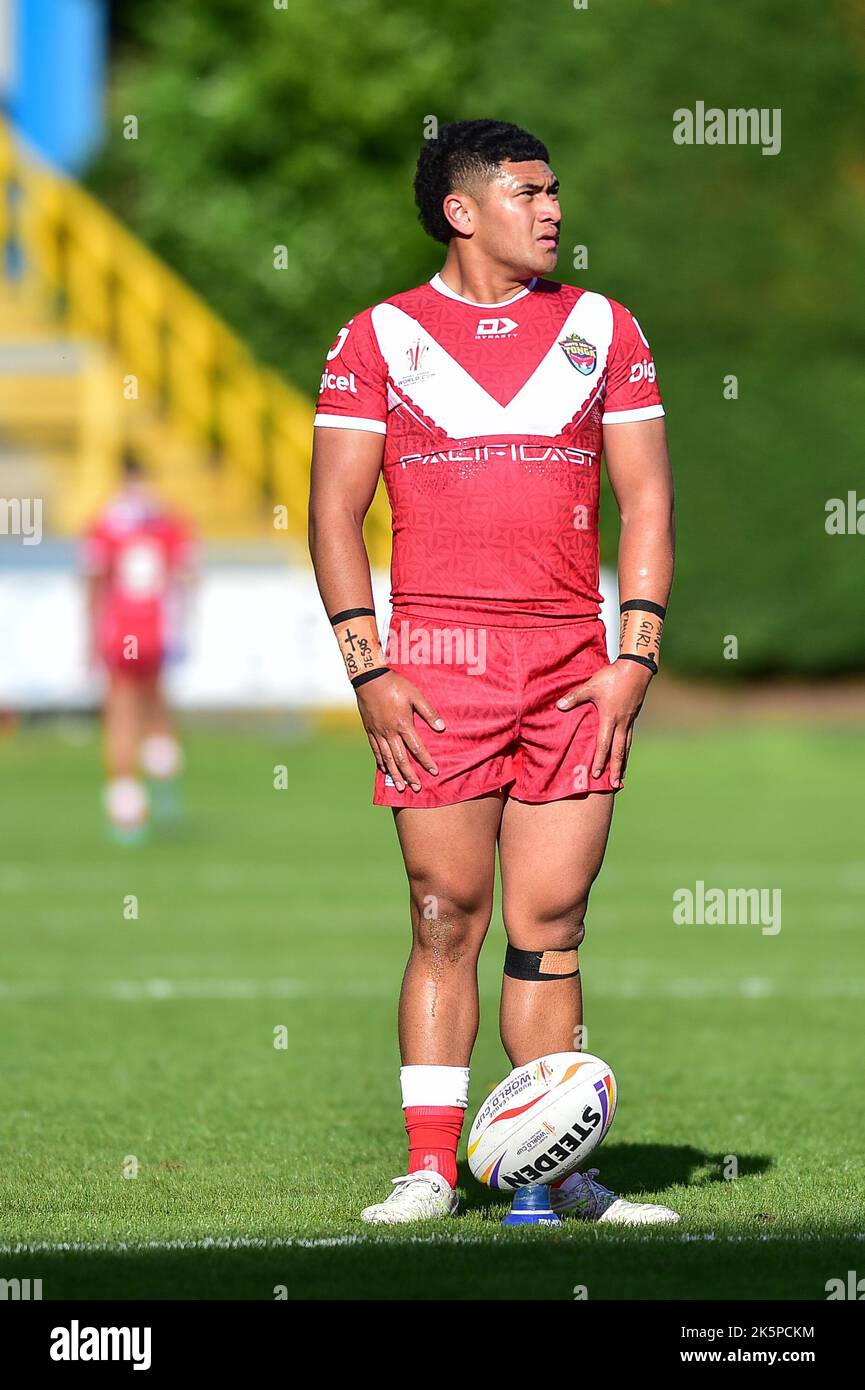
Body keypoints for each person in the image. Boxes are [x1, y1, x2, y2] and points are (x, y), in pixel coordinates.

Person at [309, 120, 677, 1224]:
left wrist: (634, 656)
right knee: (443, 912)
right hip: (437, 665)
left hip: (573, 666)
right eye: (529, 192)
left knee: (551, 920)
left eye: (555, 190)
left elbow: (648, 501)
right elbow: (333, 513)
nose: (553, 209)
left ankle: (556, 1171)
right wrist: (369, 669)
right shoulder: (378, 337)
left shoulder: (605, 328)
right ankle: (428, 1165)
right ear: (462, 210)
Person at [82, 450, 195, 841]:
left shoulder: (105, 524)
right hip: (157, 631)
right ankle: (164, 784)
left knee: (120, 715)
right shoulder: (166, 522)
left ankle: (126, 808)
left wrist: (89, 641)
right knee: (156, 708)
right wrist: (184, 629)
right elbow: (186, 577)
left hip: (121, 634)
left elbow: (94, 585)